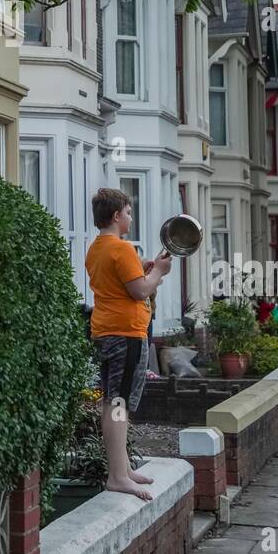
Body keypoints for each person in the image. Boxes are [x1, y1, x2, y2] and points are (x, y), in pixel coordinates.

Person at [85, 188, 172, 502]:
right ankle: (118, 476)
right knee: (117, 403)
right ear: (115, 216)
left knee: (112, 401)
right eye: (129, 212)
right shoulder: (121, 249)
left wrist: (146, 270)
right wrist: (158, 273)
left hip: (107, 331)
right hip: (126, 334)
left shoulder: (96, 248)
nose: (131, 217)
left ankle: (121, 469)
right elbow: (139, 292)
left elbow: (124, 284)